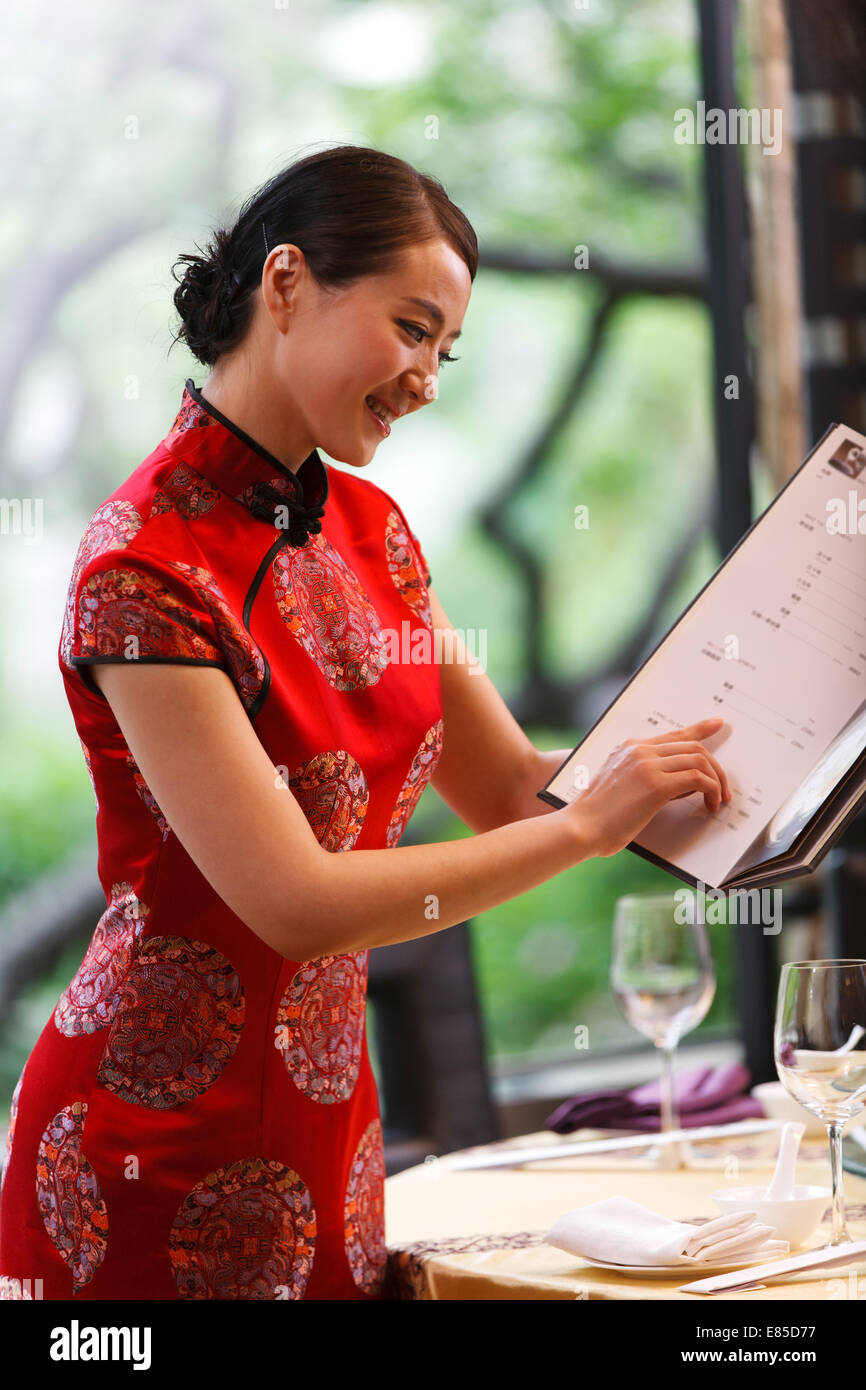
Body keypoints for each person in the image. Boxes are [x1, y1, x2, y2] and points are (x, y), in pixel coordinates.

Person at [0, 143, 731, 1302]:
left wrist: (722, 747)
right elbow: (295, 905)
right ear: (284, 283)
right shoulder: (143, 567)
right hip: (150, 1140)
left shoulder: (374, 530)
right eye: (409, 327)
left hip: (329, 1127)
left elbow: (507, 786)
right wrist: (591, 826)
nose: (427, 376)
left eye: (446, 349)